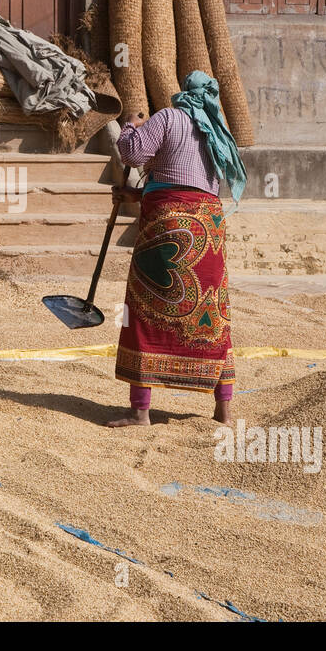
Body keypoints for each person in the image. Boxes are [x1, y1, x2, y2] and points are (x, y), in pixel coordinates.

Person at [107, 70, 247, 428]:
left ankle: (140, 412)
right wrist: (137, 196)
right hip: (210, 229)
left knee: (143, 308)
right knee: (212, 311)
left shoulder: (169, 117)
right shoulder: (217, 130)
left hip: (169, 225)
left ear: (184, 93)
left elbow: (134, 153)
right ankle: (224, 410)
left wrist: (131, 125)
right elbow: (192, 184)